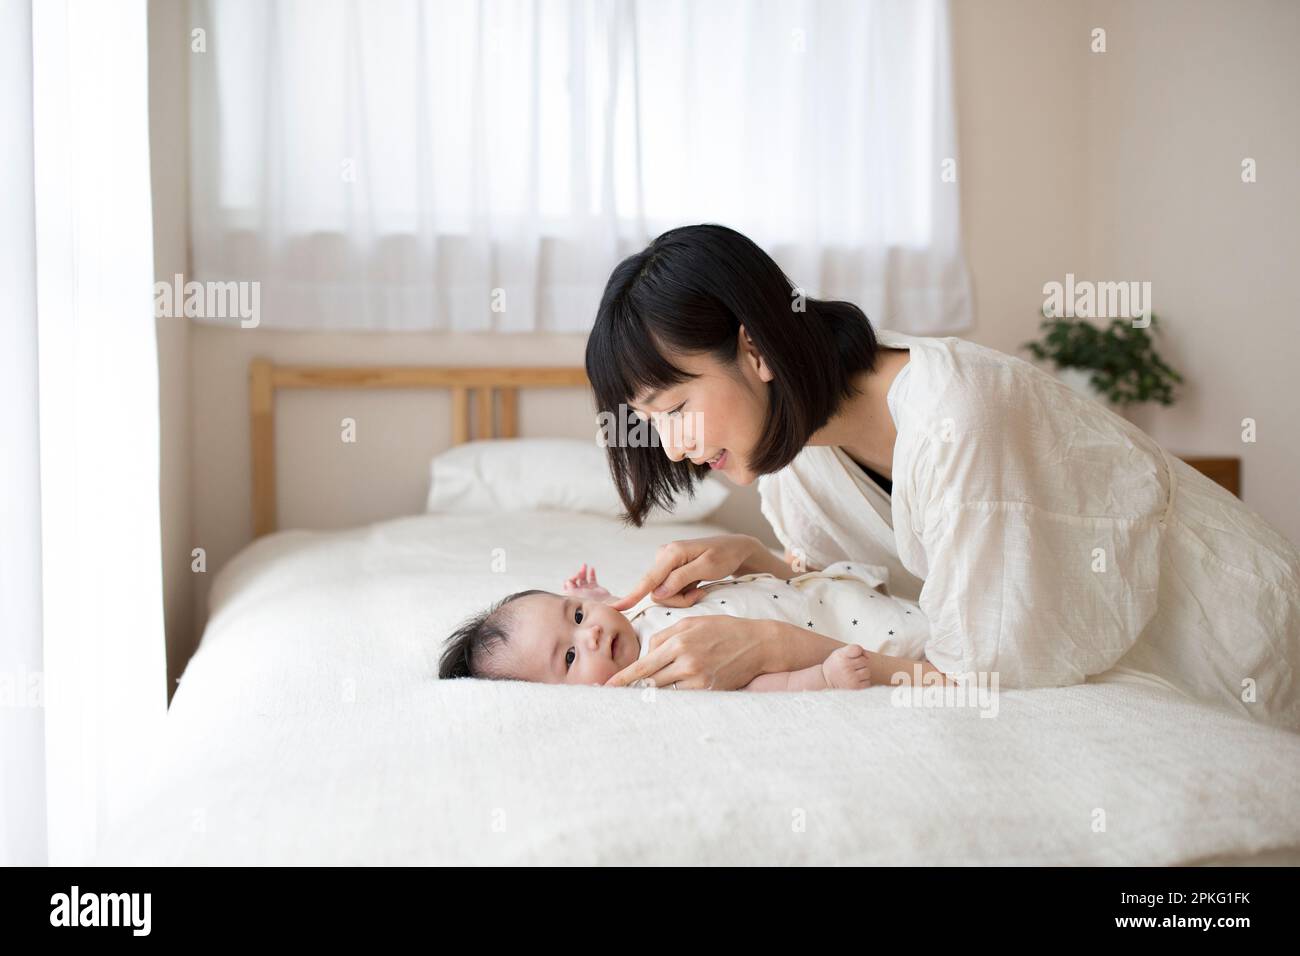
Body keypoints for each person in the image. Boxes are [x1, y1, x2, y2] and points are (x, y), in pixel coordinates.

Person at [583, 222, 1300, 730]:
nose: (672, 449)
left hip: (1227, 622)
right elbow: (879, 596)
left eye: (675, 408)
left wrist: (780, 649)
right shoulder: (793, 456)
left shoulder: (954, 416)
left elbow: (981, 677)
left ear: (754, 348)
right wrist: (759, 561)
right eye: (650, 424)